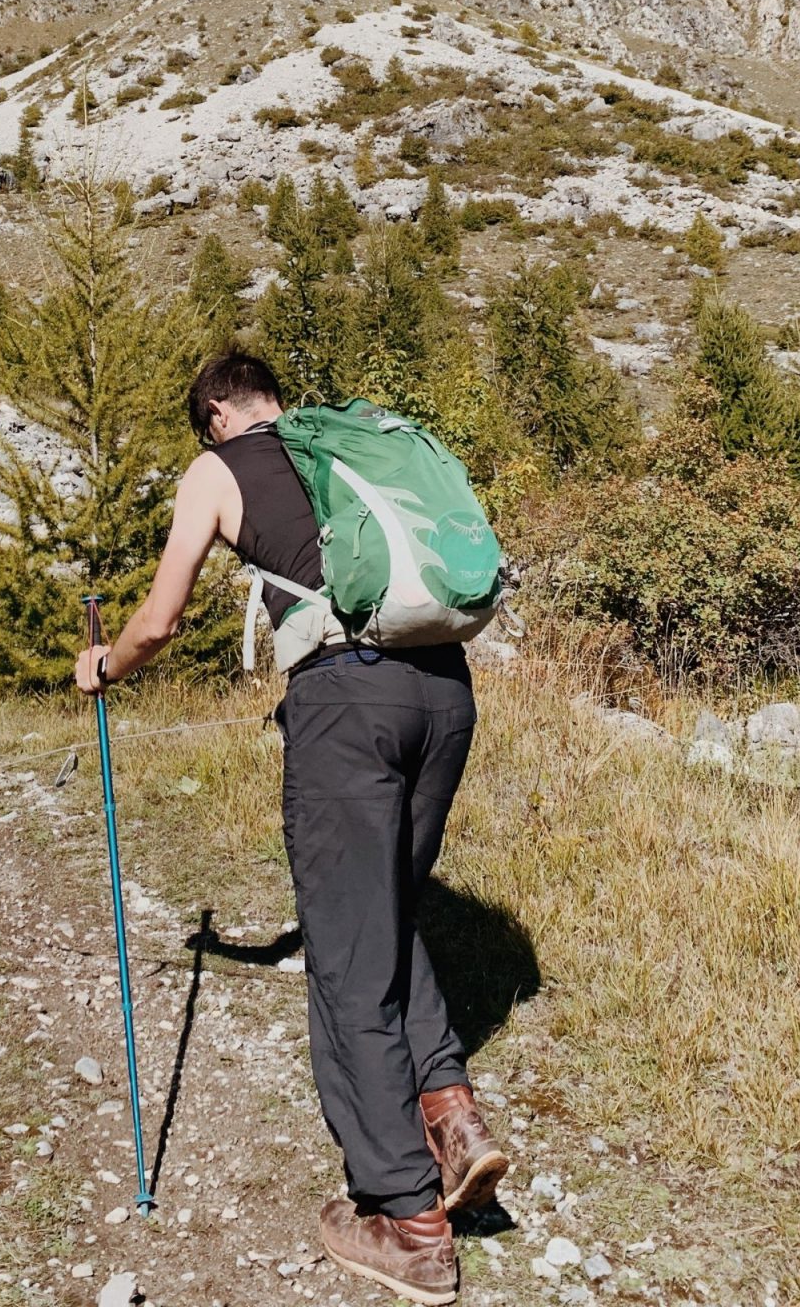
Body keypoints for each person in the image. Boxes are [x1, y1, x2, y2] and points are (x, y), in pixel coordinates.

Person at [74, 350, 506, 1306]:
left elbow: (162, 617)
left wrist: (106, 666)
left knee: (347, 953)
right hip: (443, 690)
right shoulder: (343, 448)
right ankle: (452, 1119)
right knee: (386, 913)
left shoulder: (218, 468)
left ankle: (408, 1222)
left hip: (347, 705)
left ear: (221, 411)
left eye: (206, 427)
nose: (210, 441)